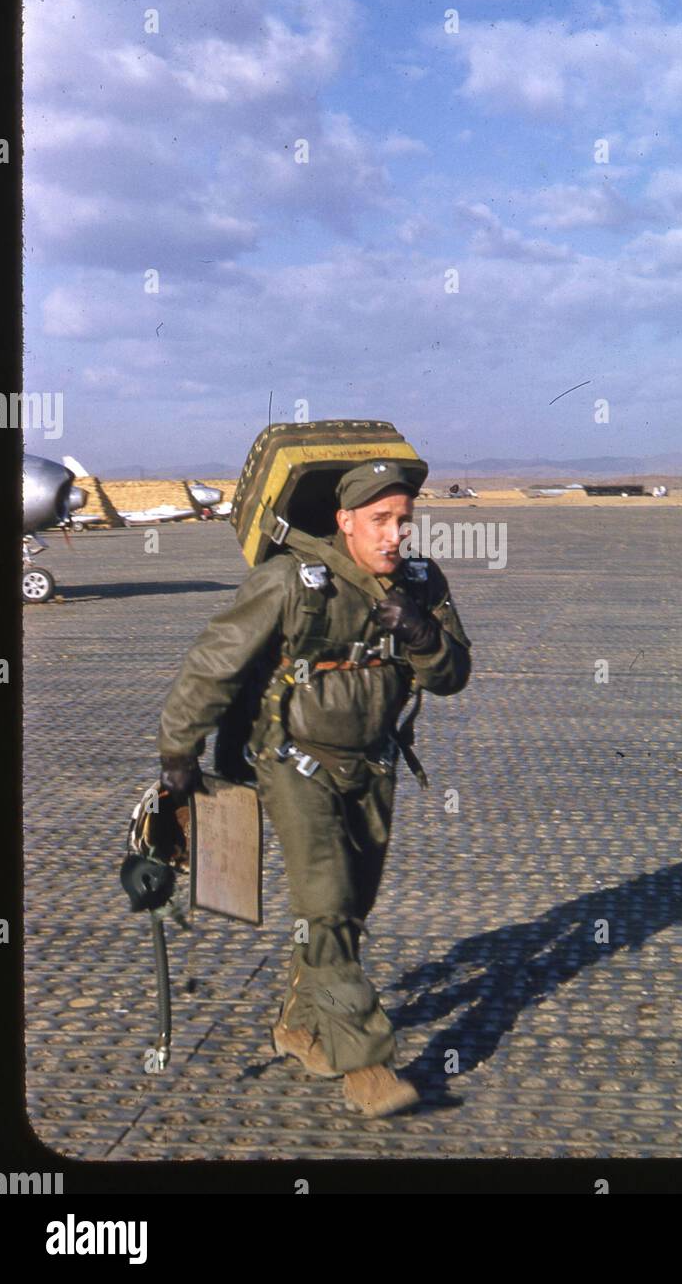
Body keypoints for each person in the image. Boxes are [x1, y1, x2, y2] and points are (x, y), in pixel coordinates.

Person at [156, 460, 472, 1117]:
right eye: (380, 521)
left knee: (346, 910)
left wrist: (421, 634)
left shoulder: (419, 582)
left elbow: (452, 675)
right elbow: (214, 663)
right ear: (344, 521)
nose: (395, 536)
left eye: (404, 522)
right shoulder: (291, 583)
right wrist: (178, 752)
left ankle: (300, 1027)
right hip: (293, 761)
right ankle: (367, 1064)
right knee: (326, 905)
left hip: (374, 763)